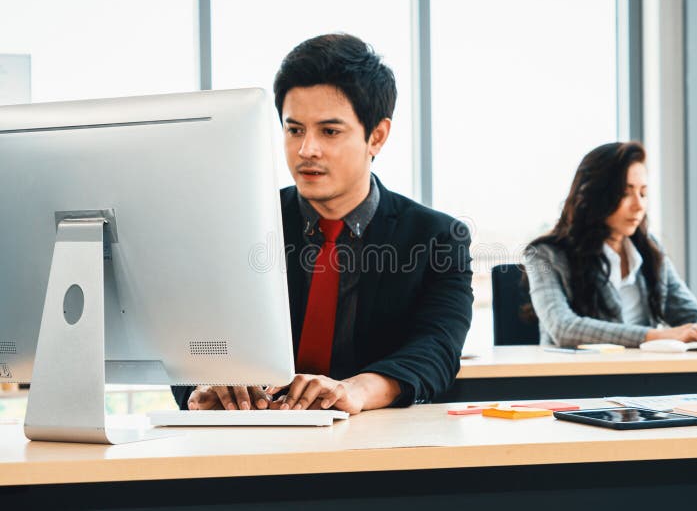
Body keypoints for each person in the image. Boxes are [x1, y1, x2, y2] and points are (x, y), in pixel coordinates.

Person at [172, 34, 473, 414]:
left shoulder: (436, 238)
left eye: (329, 132)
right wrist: (200, 386)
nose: (306, 149)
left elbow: (436, 349)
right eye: (294, 129)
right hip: (251, 438)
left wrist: (356, 391)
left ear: (376, 136)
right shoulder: (238, 225)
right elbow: (191, 336)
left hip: (376, 447)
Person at [524, 141, 697, 347]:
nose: (638, 205)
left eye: (643, 193)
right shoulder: (545, 255)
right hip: (577, 382)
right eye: (625, 193)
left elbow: (689, 316)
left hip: (642, 379)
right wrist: (658, 336)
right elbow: (564, 329)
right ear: (594, 195)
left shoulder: (648, 249)